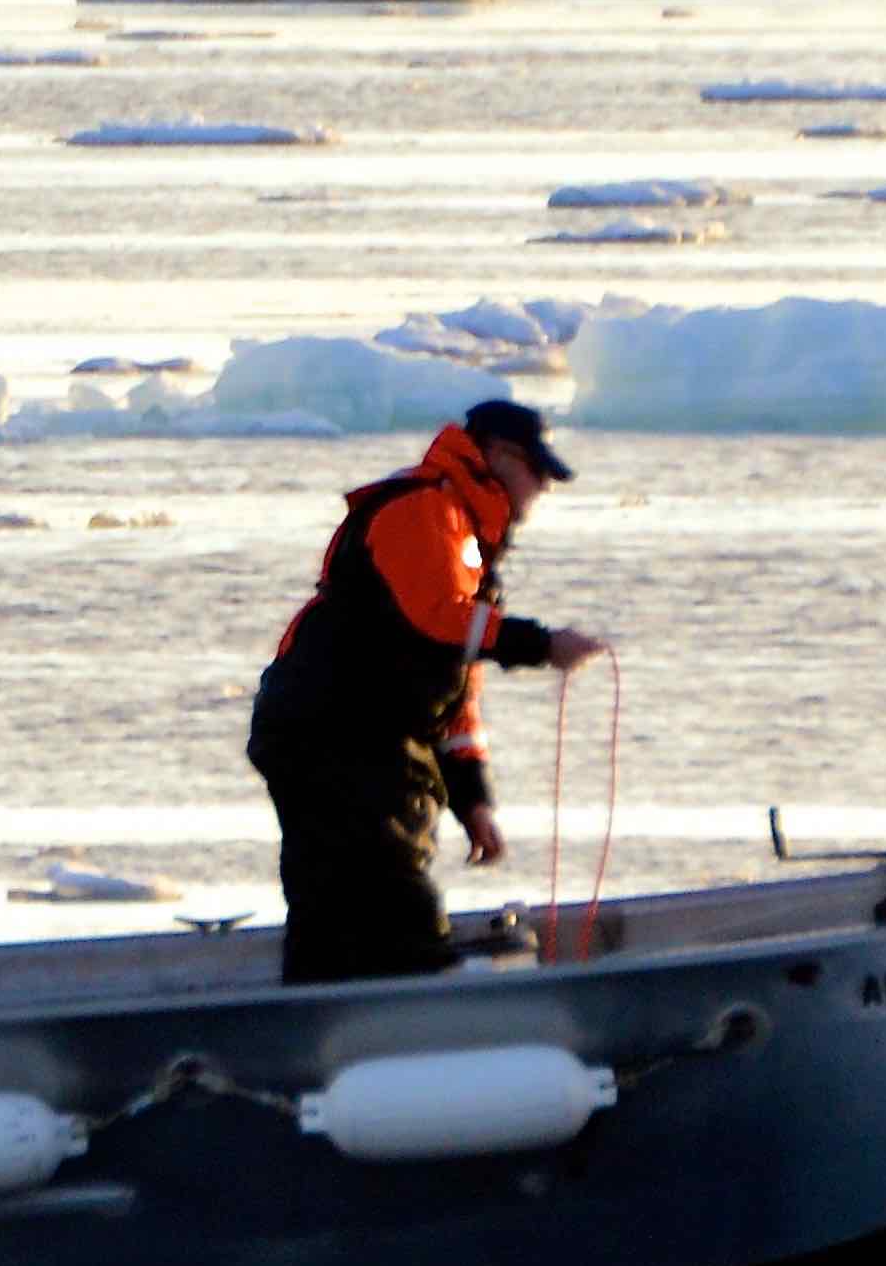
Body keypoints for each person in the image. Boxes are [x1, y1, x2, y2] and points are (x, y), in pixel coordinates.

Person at [244, 397, 614, 984]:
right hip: (333, 732)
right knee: (388, 886)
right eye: (535, 471)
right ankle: (421, 1014)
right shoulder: (424, 508)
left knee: (338, 902)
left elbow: (457, 696)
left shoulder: (466, 549)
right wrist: (542, 645)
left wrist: (473, 799)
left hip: (370, 737)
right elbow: (437, 619)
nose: (541, 488)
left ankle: (317, 1024)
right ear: (497, 456)